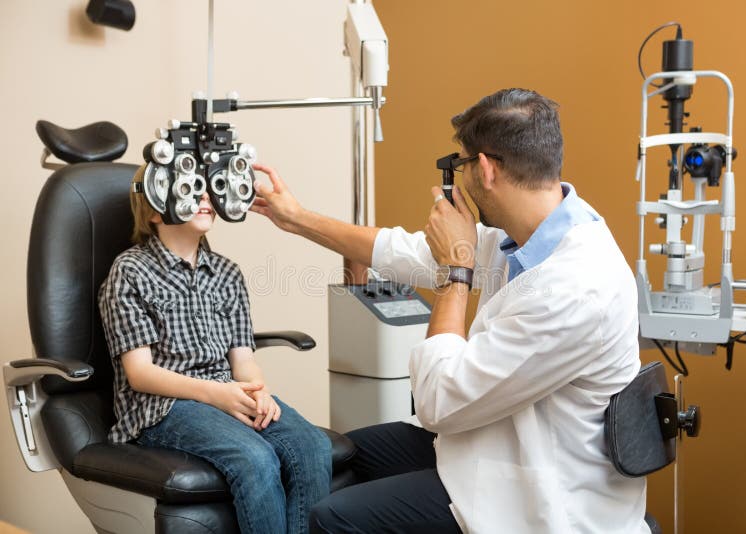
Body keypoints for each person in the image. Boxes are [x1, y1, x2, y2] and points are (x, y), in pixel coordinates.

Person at [250, 88, 647, 533]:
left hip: (547, 496)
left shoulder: (574, 287)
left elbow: (438, 402)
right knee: (341, 457)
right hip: (502, 443)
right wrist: (296, 218)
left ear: (485, 169)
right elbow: (402, 251)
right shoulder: (540, 233)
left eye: (459, 165)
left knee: (332, 519)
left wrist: (455, 273)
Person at [98, 165, 332, 534]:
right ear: (157, 209)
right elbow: (140, 374)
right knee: (255, 459)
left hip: (226, 391)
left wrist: (259, 391)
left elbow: (244, 359)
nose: (206, 196)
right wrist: (217, 394)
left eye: (208, 189)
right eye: (190, 189)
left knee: (313, 447)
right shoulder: (130, 271)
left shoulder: (227, 273)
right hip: (164, 406)